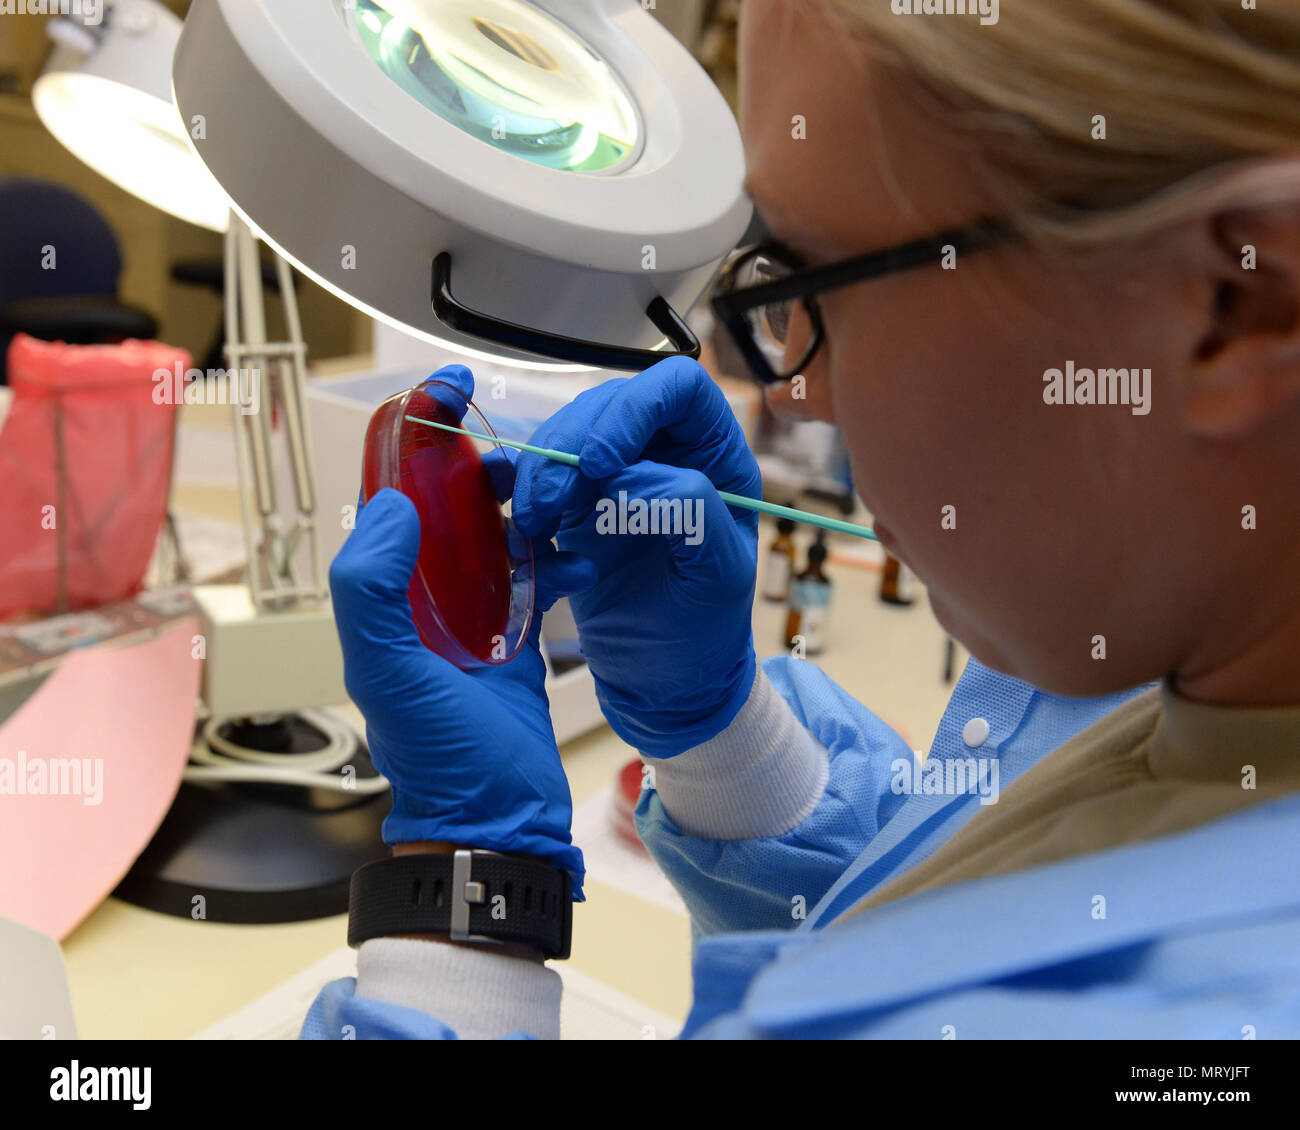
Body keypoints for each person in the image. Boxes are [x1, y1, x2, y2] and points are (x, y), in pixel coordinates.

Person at [304, 0, 1300, 1039]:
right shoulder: (1158, 618)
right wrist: (723, 736)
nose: (797, 393)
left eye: (817, 273)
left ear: (1243, 301)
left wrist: (466, 893)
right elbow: (943, 906)